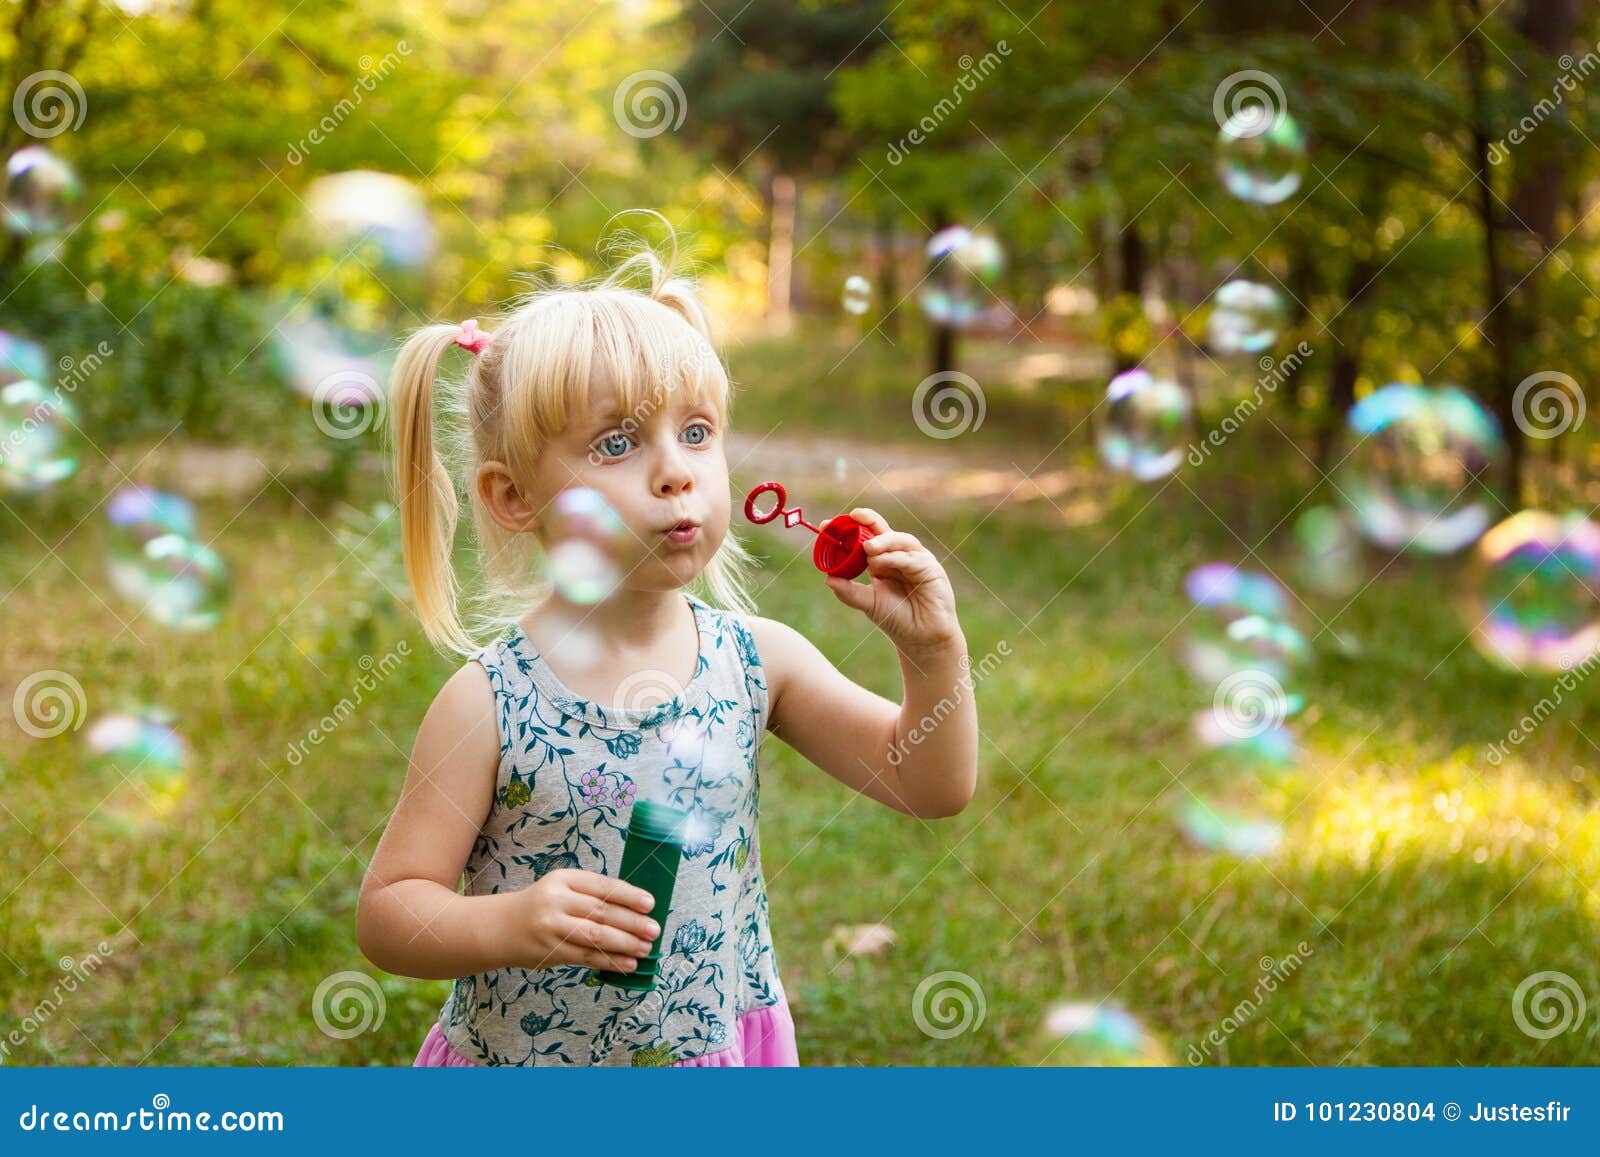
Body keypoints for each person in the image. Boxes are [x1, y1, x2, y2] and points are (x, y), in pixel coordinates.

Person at [356, 237, 978, 1067]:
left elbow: (927, 783)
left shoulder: (759, 661)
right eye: (616, 444)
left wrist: (933, 653)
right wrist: (511, 920)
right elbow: (391, 911)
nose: (675, 473)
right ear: (513, 496)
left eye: (695, 432)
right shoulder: (491, 702)